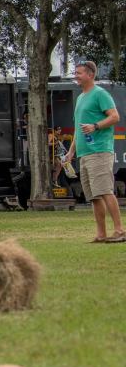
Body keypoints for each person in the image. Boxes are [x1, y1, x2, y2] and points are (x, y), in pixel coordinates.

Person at [62, 61, 123, 242]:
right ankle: (101, 234)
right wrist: (71, 152)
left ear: (90, 75)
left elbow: (115, 117)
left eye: (79, 73)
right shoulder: (81, 97)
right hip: (84, 153)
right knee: (94, 196)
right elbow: (78, 129)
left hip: (100, 151)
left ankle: (120, 231)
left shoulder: (100, 94)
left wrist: (95, 126)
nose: (76, 76)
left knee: (105, 191)